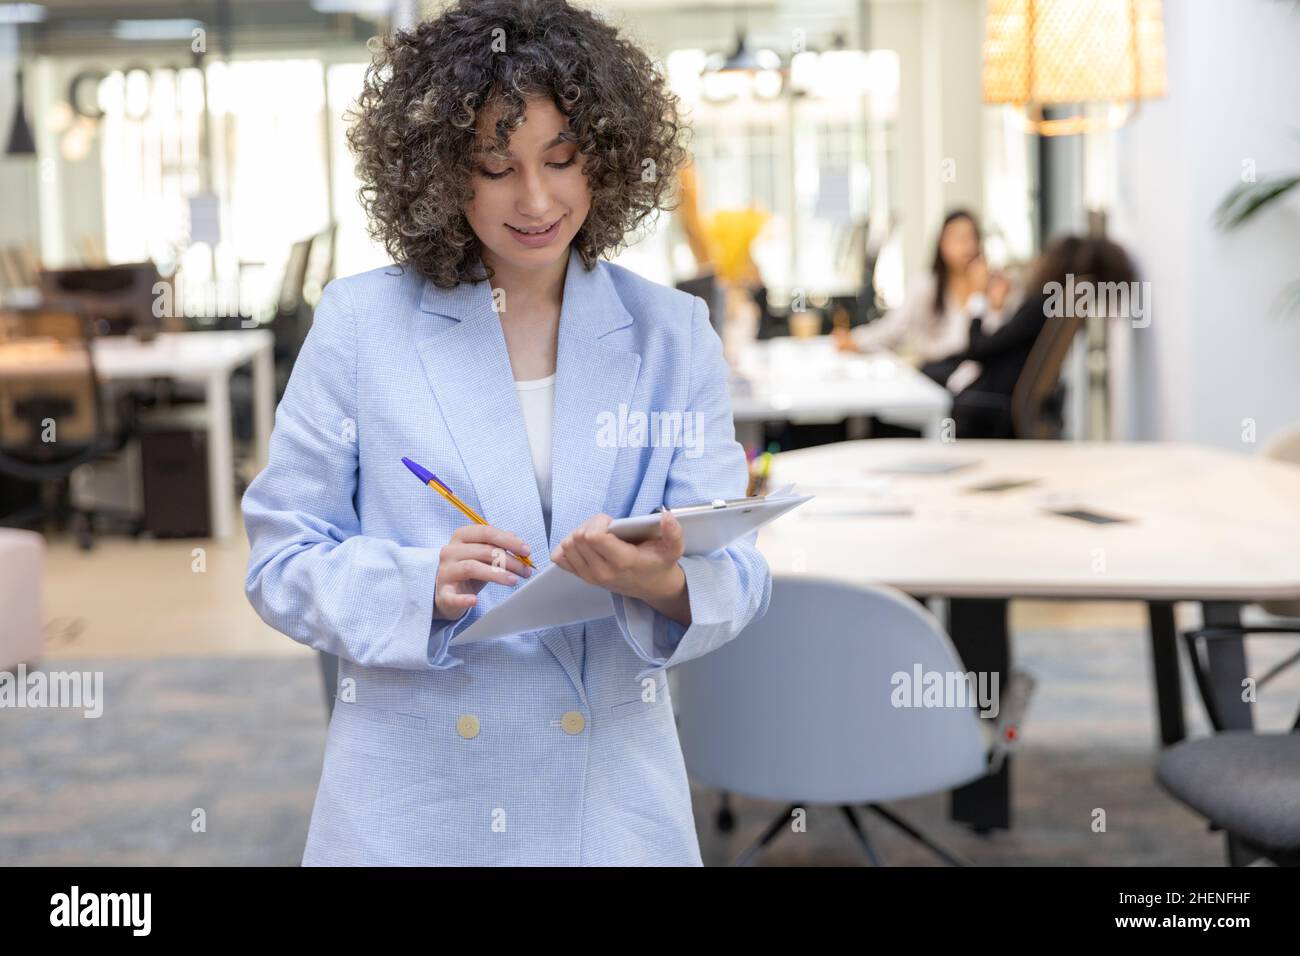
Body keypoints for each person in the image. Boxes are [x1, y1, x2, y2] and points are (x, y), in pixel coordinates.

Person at [241, 0, 771, 866]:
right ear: (441, 172)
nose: (535, 200)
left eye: (562, 160)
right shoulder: (361, 326)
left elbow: (738, 573)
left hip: (609, 803)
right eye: (496, 167)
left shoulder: (672, 335)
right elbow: (278, 560)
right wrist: (418, 583)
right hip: (413, 796)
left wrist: (665, 581)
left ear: (607, 156)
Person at [943, 235, 1138, 438]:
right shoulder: (1059, 307)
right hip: (991, 405)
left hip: (983, 411)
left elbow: (978, 350)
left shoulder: (1044, 306)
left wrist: (978, 297)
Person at [833, 210, 1013, 391]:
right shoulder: (925, 286)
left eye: (970, 237)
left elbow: (990, 344)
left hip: (975, 378)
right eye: (956, 237)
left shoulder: (994, 287)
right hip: (937, 375)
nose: (965, 245)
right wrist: (856, 340)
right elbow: (893, 328)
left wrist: (985, 298)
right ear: (942, 243)